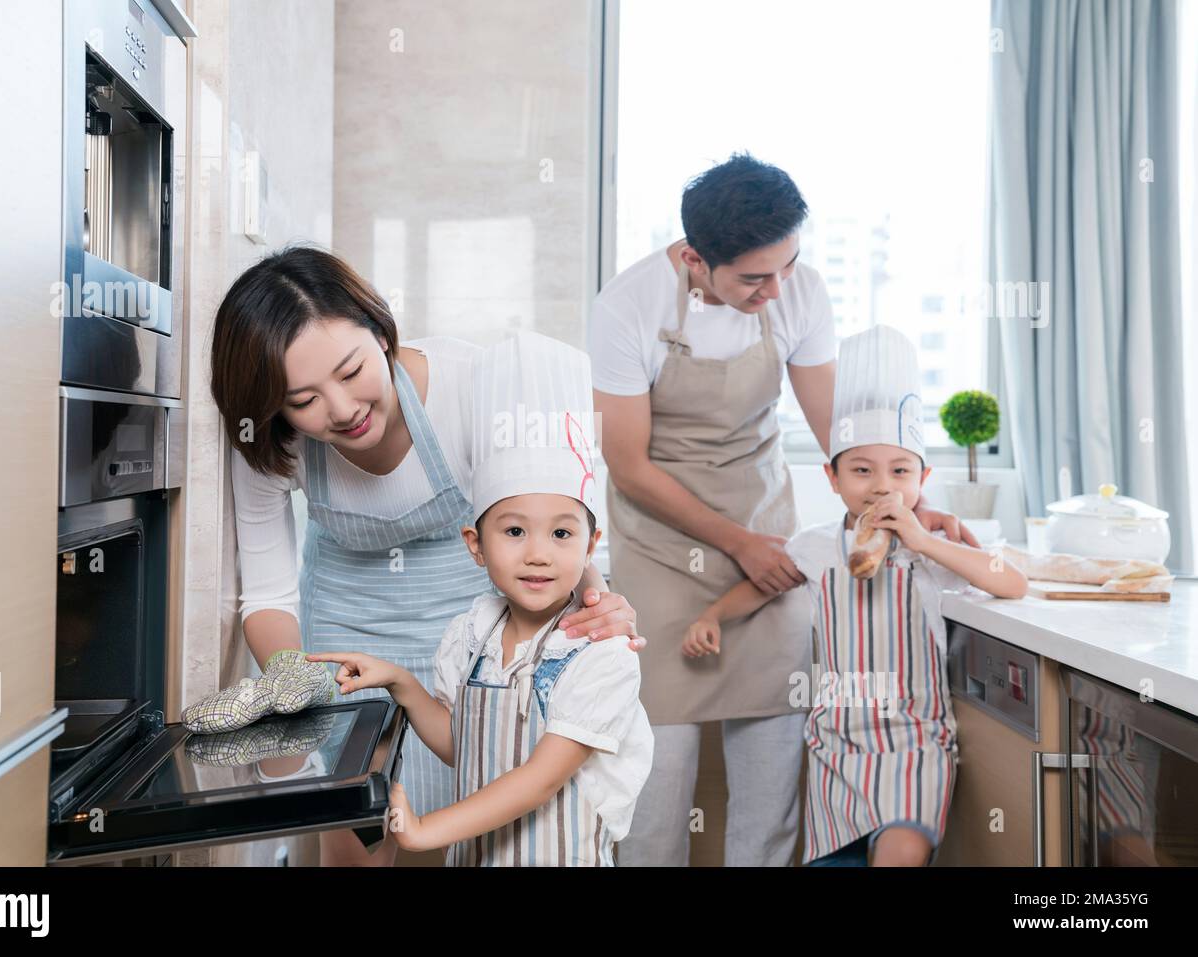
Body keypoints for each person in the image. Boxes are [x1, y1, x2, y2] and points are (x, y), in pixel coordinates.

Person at [591, 153, 976, 866]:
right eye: (754, 278)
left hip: (768, 539)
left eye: (788, 266)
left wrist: (918, 508)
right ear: (695, 259)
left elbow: (843, 435)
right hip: (660, 548)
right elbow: (628, 465)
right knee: (659, 785)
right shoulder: (628, 306)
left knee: (771, 784)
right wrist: (737, 544)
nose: (777, 289)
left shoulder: (800, 294)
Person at [210, 247, 642, 866]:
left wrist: (596, 600)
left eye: (351, 369)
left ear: (380, 331)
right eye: (302, 400)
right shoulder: (270, 443)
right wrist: (299, 686)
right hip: (343, 633)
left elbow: (549, 514)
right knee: (356, 836)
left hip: (471, 625)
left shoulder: (468, 385)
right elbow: (269, 599)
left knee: (453, 821)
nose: (341, 409)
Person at [311, 334, 654, 865]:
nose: (537, 554)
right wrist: (400, 681)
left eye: (561, 535)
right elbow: (459, 743)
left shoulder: (599, 656)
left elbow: (540, 781)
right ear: (475, 545)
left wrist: (427, 830)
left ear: (591, 544)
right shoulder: (472, 633)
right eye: (514, 532)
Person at [703, 324, 1023, 866]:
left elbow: (1012, 581)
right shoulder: (815, 548)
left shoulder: (932, 547)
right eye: (861, 470)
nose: (881, 486)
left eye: (900, 471)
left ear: (924, 476)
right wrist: (712, 617)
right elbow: (759, 588)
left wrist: (924, 539)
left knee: (899, 854)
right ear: (832, 478)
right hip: (837, 744)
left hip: (916, 744)